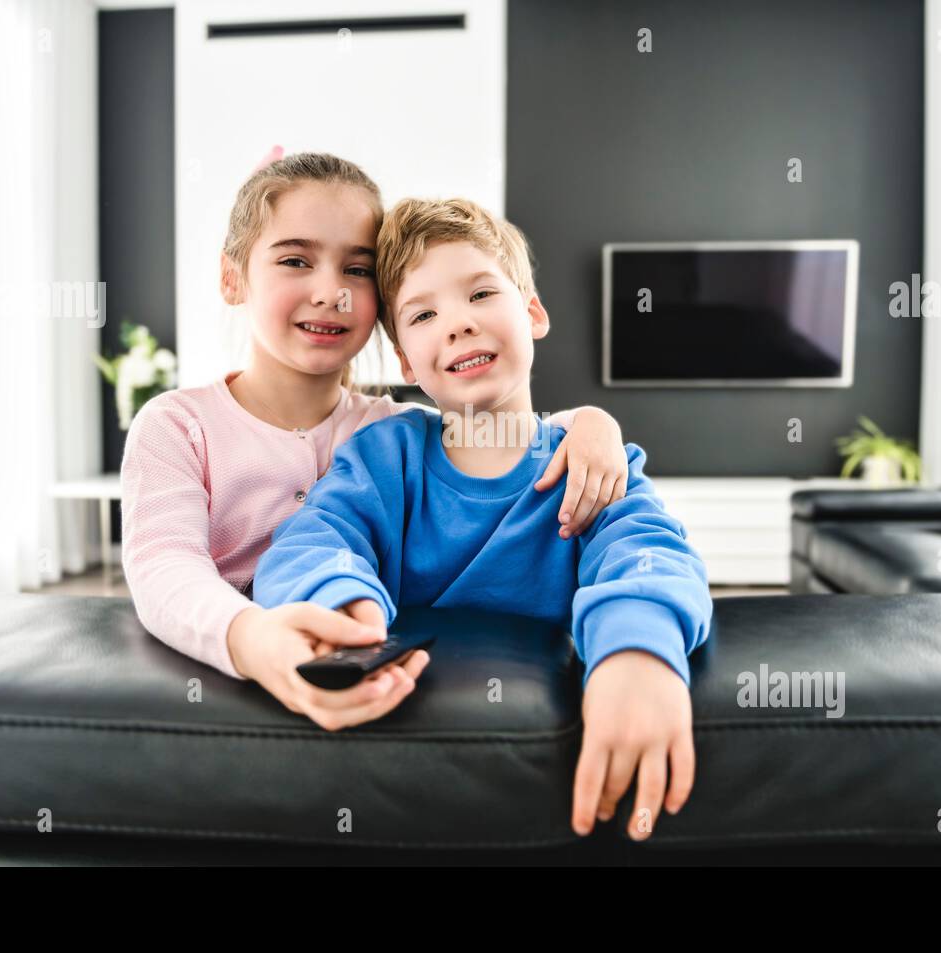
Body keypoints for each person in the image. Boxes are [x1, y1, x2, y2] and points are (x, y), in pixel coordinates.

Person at [252, 196, 714, 841]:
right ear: (407, 363)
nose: (458, 325)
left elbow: (650, 550)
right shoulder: (386, 459)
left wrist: (637, 652)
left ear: (532, 312)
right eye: (424, 313)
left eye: (480, 295)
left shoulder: (592, 466)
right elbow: (310, 540)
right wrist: (343, 608)